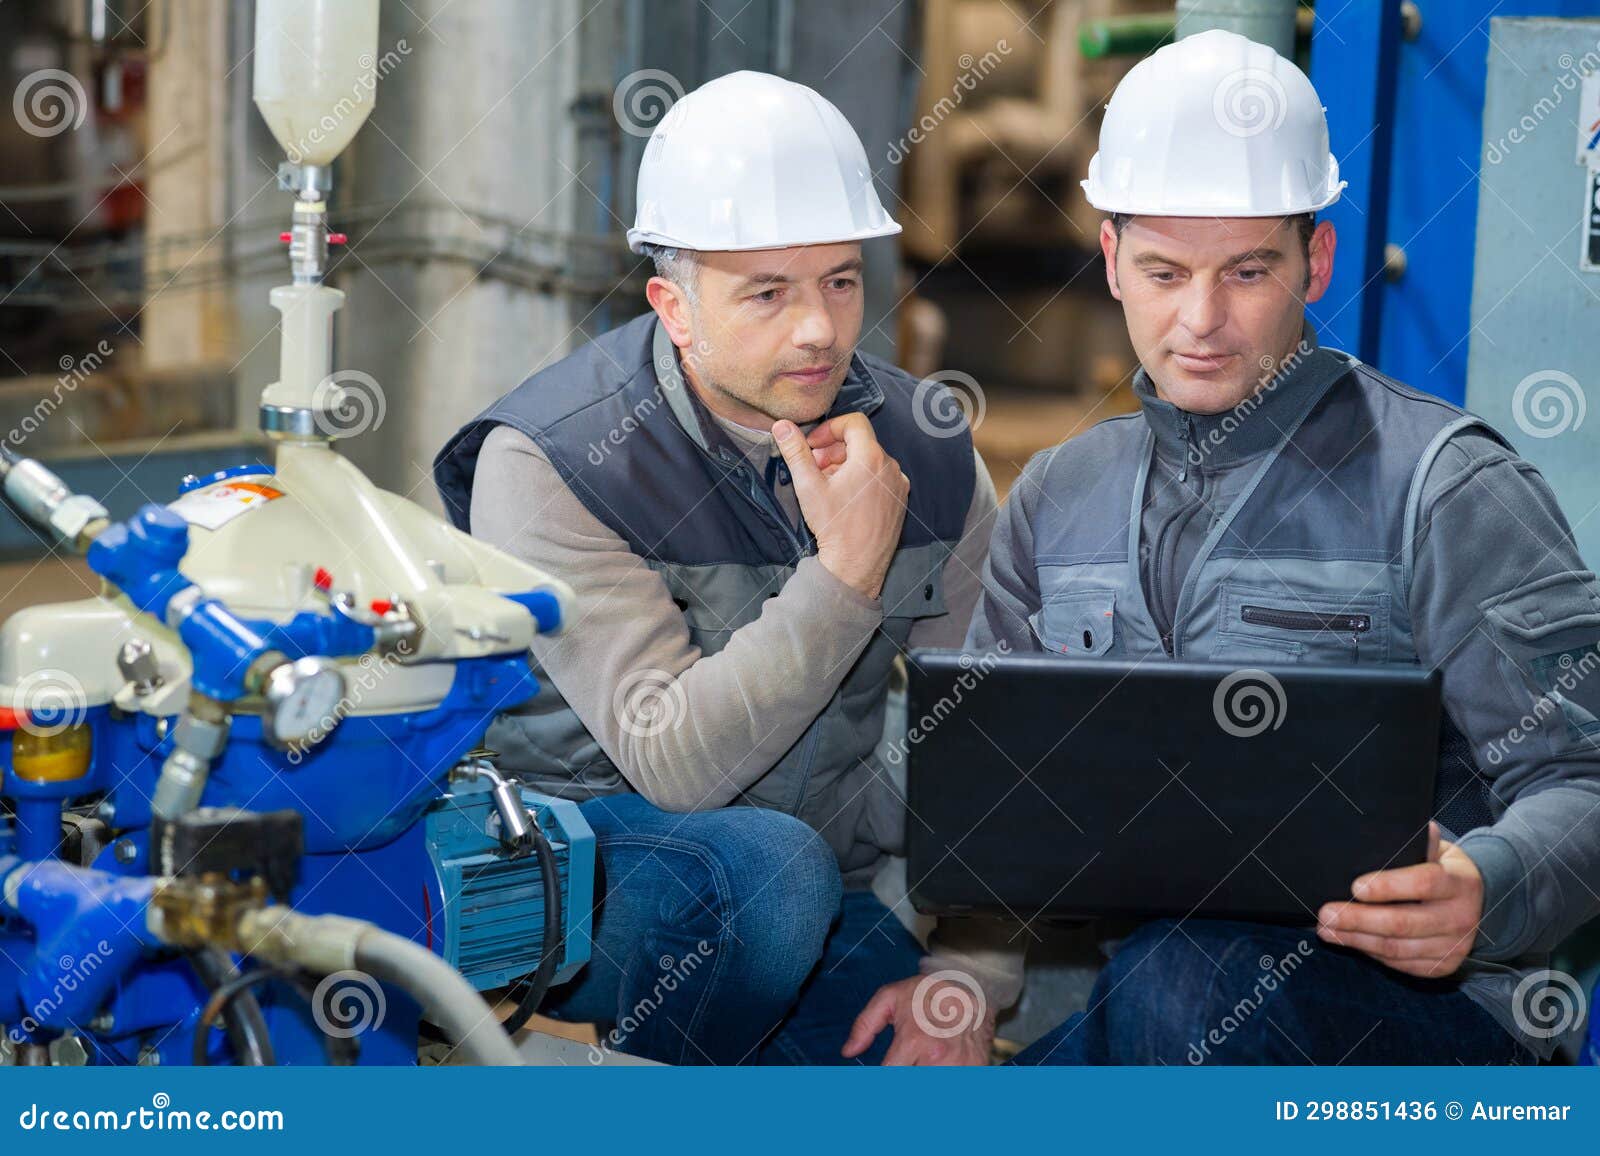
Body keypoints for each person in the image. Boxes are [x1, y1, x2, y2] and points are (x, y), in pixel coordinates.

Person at [848, 29, 1600, 1065]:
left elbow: (1583, 775)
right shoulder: (1058, 498)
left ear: (1315, 263)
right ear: (1112, 262)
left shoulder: (1446, 488)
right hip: (1153, 1008)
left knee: (1182, 974)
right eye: (1164, 271)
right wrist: (965, 981)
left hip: (1426, 1019)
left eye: (1248, 272)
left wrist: (1490, 885)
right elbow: (1005, 801)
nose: (1201, 320)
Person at [433, 70, 998, 1065]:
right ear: (675, 307)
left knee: (916, 1062)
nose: (819, 328)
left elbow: (988, 732)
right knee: (767, 880)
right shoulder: (558, 458)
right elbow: (673, 763)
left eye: (840, 280)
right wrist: (845, 574)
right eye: (768, 293)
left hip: (830, 886)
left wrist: (967, 969)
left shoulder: (932, 452)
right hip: (596, 874)